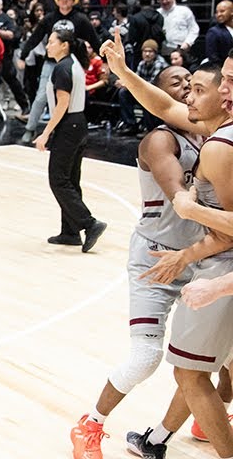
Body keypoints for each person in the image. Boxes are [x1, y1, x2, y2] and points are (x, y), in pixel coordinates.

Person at [68, 64, 213, 459]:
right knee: (146, 356)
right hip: (154, 259)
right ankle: (90, 424)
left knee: (216, 358)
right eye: (176, 83)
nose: (186, 88)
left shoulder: (210, 134)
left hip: (199, 259)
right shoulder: (158, 141)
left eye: (191, 82)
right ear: (159, 99)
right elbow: (183, 202)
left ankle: (189, 423)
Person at [36, 28, 108, 250]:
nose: (47, 46)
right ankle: (70, 232)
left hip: (68, 125)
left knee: (58, 179)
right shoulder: (74, 63)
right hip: (79, 124)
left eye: (51, 42)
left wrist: (46, 133)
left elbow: (62, 104)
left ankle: (89, 223)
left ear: (64, 44)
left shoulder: (62, 67)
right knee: (71, 180)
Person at [17, 0, 101, 144]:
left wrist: (105, 57)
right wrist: (23, 54)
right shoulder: (49, 18)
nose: (64, 1)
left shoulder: (81, 19)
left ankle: (70, 131)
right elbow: (36, 37)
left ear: (72, 1)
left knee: (74, 98)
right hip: (51, 63)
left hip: (72, 64)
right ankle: (30, 128)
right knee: (42, 96)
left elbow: (94, 39)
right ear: (58, 1)